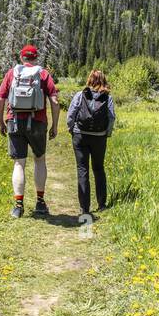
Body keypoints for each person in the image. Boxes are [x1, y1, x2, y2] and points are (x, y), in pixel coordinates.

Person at [0, 44, 60, 218]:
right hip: (38, 122)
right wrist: (54, 125)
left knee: (19, 163)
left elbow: (0, 100)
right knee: (39, 160)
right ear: (36, 57)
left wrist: (1, 122)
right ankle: (40, 202)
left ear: (22, 57)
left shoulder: (12, 73)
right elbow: (54, 102)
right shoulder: (43, 74)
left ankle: (18, 206)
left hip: (15, 121)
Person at [66, 70, 115, 220]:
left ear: (89, 80)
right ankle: (102, 204)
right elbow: (111, 117)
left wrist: (71, 129)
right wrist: (107, 133)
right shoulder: (108, 97)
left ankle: (84, 207)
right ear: (103, 81)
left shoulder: (80, 95)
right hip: (99, 138)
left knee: (82, 170)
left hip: (80, 135)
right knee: (99, 169)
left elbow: (71, 115)